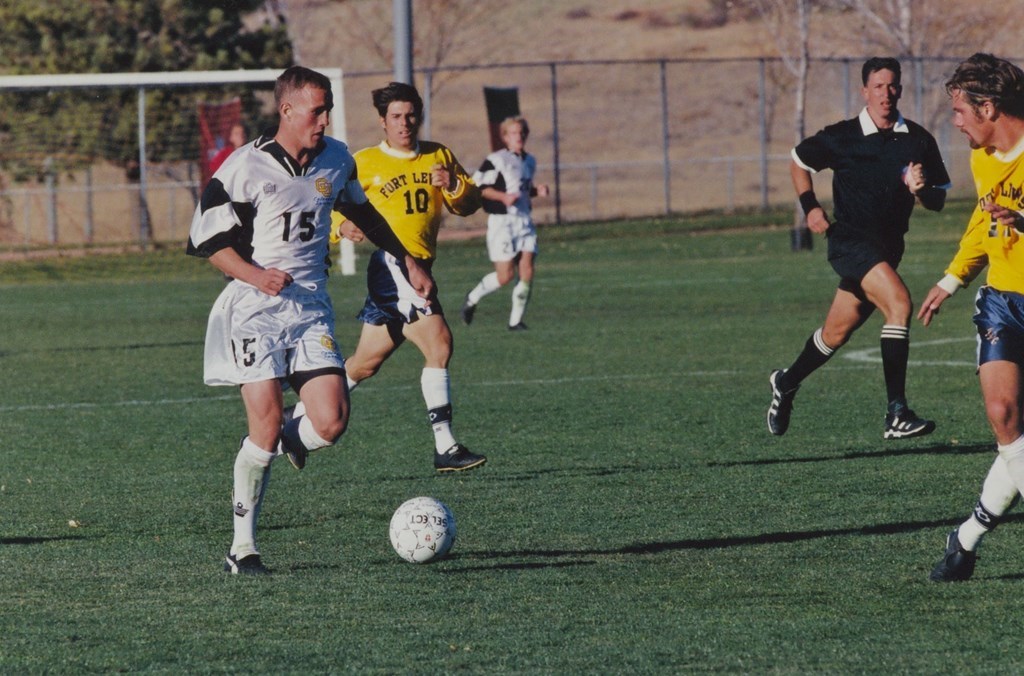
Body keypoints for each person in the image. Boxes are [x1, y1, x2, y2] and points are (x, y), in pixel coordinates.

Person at [186, 67, 433, 576]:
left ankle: (291, 442)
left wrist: (407, 260)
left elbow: (365, 215)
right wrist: (256, 275)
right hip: (254, 311)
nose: (325, 118)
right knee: (265, 423)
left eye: (327, 110)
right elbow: (205, 243)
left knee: (332, 422)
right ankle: (243, 548)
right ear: (288, 110)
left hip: (310, 308)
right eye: (317, 109)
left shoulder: (337, 159)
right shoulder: (244, 167)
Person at [766, 56, 950, 440]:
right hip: (849, 242)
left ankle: (786, 381)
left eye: (893, 85)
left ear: (900, 87)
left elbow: (938, 201)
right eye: (878, 86)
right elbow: (798, 162)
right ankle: (896, 412)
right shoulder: (842, 136)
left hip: (887, 250)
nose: (887, 93)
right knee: (899, 303)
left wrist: (922, 190)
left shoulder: (917, 139)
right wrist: (810, 207)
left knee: (835, 334)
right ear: (865, 91)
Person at [331, 81, 487, 472]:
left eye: (410, 115)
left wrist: (453, 185)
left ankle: (295, 425)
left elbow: (470, 204)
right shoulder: (364, 161)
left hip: (419, 265)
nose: (405, 123)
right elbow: (331, 201)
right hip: (393, 264)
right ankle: (445, 446)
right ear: (382, 121)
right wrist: (340, 227)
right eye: (396, 117)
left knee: (365, 363)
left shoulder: (438, 155)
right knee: (439, 344)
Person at [920, 53, 1024, 582]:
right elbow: (985, 223)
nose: (955, 121)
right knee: (1004, 413)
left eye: (961, 110)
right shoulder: (984, 159)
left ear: (989, 106)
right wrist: (953, 277)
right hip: (1004, 301)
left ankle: (965, 538)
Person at [460, 116, 549, 330]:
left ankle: (515, 321)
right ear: (505, 137)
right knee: (506, 275)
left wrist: (537, 191)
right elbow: (478, 187)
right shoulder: (496, 160)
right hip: (502, 223)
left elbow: (522, 190)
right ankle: (472, 298)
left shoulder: (530, 161)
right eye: (513, 133)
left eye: (521, 132)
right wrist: (503, 197)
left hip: (524, 221)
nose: (518, 136)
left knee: (527, 269)